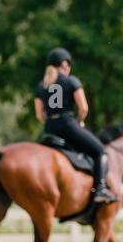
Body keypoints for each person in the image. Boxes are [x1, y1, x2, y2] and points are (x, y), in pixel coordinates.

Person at [35, 48, 116, 204]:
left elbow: (39, 114)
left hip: (49, 128)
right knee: (100, 151)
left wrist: (51, 123)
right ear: (64, 64)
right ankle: (100, 189)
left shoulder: (41, 85)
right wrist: (79, 121)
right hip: (68, 125)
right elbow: (84, 108)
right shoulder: (71, 81)